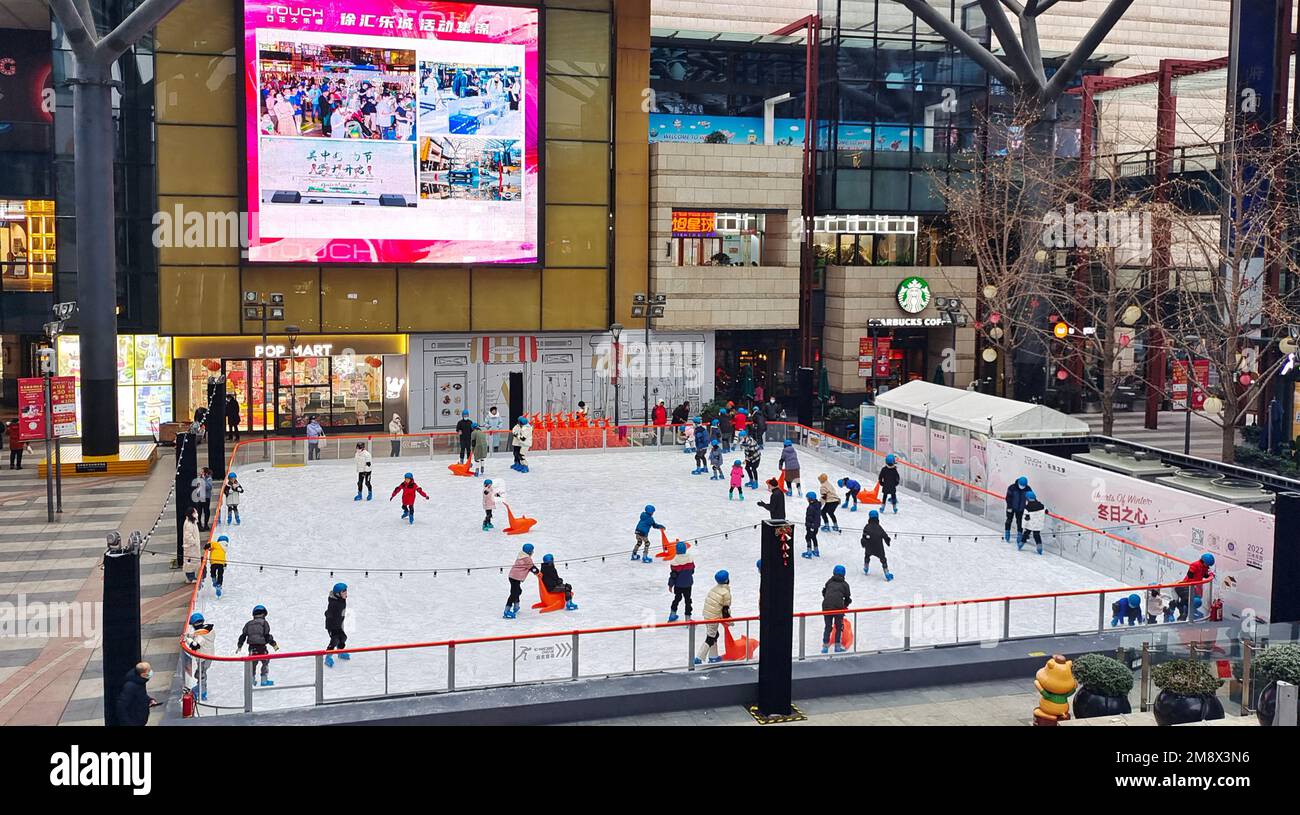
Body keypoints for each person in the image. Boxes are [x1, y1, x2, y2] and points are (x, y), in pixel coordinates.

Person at [694, 570, 732, 665]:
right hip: (713, 617)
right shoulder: (725, 592)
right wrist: (729, 620)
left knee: (715, 635)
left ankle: (713, 657)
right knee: (710, 638)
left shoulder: (714, 589)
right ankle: (698, 658)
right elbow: (725, 609)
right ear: (727, 579)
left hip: (707, 615)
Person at [236, 604, 279, 686]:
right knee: (265, 663)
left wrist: (240, 645)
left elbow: (243, 635)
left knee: (252, 664)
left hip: (252, 648)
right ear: (263, 614)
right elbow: (267, 635)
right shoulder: (264, 623)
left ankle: (251, 681)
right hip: (262, 647)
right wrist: (273, 644)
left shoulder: (248, 624)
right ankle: (264, 680)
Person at [821, 565, 852, 654]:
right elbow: (847, 598)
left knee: (828, 626)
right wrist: (845, 605)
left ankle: (825, 647)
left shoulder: (829, 581)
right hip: (838, 608)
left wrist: (827, 599)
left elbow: (824, 592)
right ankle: (837, 647)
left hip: (826, 606)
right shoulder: (845, 585)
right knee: (838, 627)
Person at [114, 662, 157, 726]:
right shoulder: (130, 687)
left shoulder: (140, 681)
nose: (151, 672)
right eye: (149, 671)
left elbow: (141, 695)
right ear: (143, 674)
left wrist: (149, 700)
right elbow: (121, 706)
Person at [1174, 553, 1214, 621]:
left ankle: (1191, 612)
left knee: (1196, 599)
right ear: (1203, 561)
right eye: (1207, 565)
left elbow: (1204, 575)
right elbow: (1190, 576)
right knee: (1187, 600)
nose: (1208, 567)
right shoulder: (1195, 565)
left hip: (1196, 586)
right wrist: (1195, 585)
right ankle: (1183, 614)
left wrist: (1210, 574)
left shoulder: (1204, 567)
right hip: (1187, 586)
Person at [184, 612, 214, 700]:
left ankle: (202, 692)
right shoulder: (208, 630)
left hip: (203, 658)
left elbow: (195, 645)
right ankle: (200, 687)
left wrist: (187, 640)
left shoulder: (201, 635)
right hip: (208, 656)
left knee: (201, 675)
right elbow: (198, 634)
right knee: (199, 673)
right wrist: (190, 635)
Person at [504, 543, 539, 618]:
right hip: (515, 577)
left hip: (513, 576)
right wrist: (538, 573)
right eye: (532, 551)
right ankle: (507, 610)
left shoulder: (521, 555)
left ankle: (516, 605)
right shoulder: (527, 558)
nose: (533, 552)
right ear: (529, 552)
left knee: (518, 591)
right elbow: (532, 567)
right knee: (514, 593)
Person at [861, 509, 893, 580]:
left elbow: (864, 536)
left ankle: (866, 567)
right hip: (879, 548)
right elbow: (884, 535)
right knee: (883, 559)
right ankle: (887, 573)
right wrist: (887, 540)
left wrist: (863, 542)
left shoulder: (867, 526)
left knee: (867, 556)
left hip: (869, 547)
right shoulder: (879, 527)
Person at [666, 541, 694, 621]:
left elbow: (673, 576)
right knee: (688, 601)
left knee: (677, 598)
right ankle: (688, 618)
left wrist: (670, 585)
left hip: (678, 585)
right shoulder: (690, 559)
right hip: (688, 584)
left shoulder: (674, 562)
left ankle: (672, 615)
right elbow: (692, 571)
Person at [324, 583, 348, 667]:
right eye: (343, 591)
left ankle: (340, 652)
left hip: (339, 624)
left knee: (343, 638)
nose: (346, 592)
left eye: (346, 590)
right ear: (338, 593)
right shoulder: (333, 603)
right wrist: (329, 615)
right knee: (335, 640)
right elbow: (328, 612)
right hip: (331, 626)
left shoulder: (341, 599)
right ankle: (328, 657)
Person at [1004, 476, 1031, 542]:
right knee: (1009, 520)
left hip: (1021, 509)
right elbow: (1008, 498)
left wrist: (1030, 507)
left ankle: (1019, 534)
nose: (1022, 487)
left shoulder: (1027, 489)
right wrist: (1009, 507)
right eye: (1021, 485)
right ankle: (1007, 532)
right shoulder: (1012, 487)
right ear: (1018, 483)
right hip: (1011, 507)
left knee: (1020, 522)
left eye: (1023, 485)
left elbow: (1031, 498)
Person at [1020, 490, 1046, 554]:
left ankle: (1021, 544)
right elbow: (1045, 510)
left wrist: (1023, 526)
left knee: (1026, 534)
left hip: (1030, 525)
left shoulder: (1027, 507)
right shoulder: (1041, 505)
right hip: (1038, 524)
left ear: (1027, 499)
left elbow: (1025, 518)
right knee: (1036, 535)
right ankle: (1039, 548)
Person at [182, 507, 202, 583]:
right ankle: (190, 578)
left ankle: (192, 576)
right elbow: (187, 536)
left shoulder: (193, 522)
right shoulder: (189, 524)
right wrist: (194, 542)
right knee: (190, 563)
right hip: (190, 548)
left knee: (193, 562)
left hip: (193, 548)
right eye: (195, 513)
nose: (196, 514)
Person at [803, 491, 821, 558]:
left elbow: (809, 517)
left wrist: (808, 524)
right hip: (816, 525)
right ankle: (816, 551)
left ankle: (809, 552)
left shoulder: (810, 507)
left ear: (810, 499)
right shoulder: (818, 504)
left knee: (808, 537)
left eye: (807, 498)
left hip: (811, 525)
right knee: (813, 537)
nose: (807, 499)